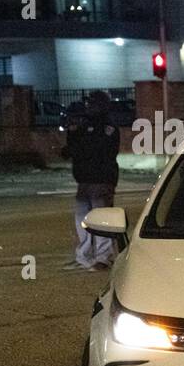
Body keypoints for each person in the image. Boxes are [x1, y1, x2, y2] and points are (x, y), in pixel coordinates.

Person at [63, 91, 120, 272]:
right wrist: (72, 134)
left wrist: (78, 144)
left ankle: (104, 257)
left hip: (101, 179)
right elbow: (71, 149)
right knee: (82, 219)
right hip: (84, 180)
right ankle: (85, 256)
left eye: (92, 103)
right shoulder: (85, 126)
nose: (88, 107)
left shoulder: (108, 128)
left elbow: (96, 150)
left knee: (102, 219)